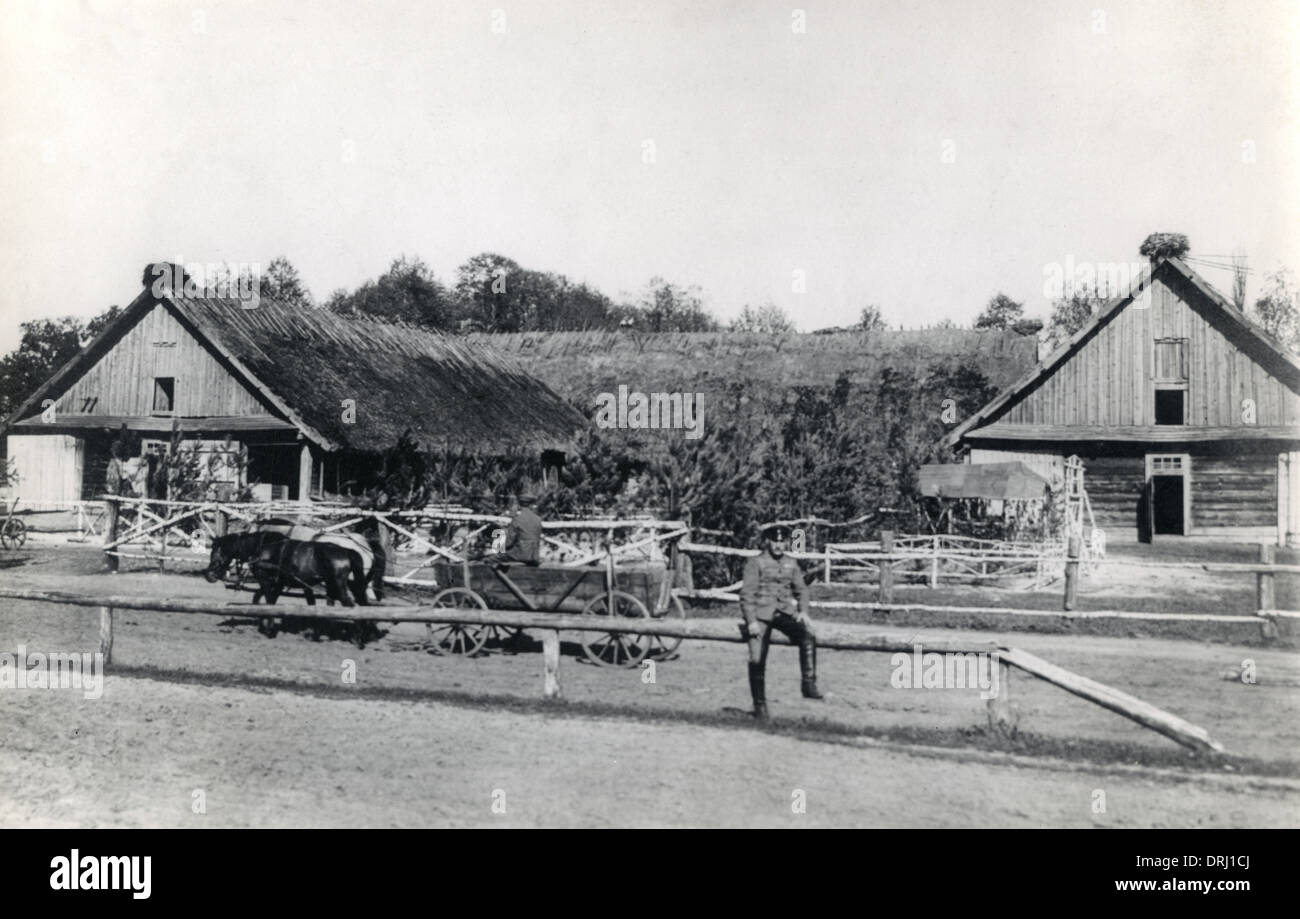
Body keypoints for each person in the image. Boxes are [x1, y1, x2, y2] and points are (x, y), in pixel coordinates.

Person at [739, 524, 824, 720]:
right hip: (761, 614)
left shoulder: (791, 563)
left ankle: (808, 683)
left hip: (784, 612)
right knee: (756, 657)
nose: (779, 545)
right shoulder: (756, 562)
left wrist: (803, 611)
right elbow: (747, 594)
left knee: (808, 635)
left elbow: (802, 589)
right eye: (775, 541)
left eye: (782, 541)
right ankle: (759, 704)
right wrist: (750, 620)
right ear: (767, 541)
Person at [490, 492, 543, 566]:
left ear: (519, 505)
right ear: (531, 505)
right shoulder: (538, 519)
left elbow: (508, 542)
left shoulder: (517, 520)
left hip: (519, 555)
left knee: (490, 559)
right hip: (534, 556)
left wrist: (498, 549)